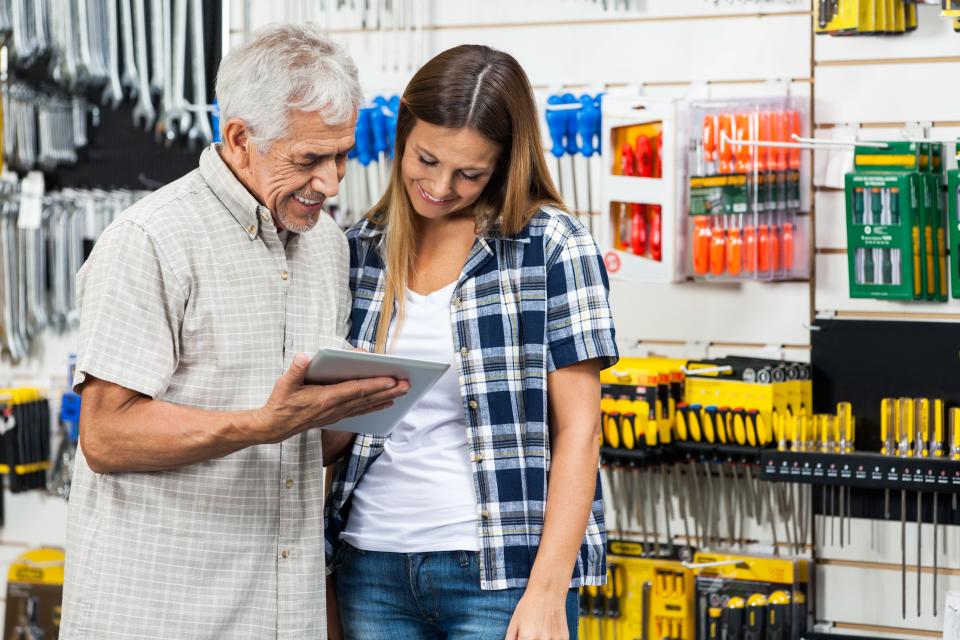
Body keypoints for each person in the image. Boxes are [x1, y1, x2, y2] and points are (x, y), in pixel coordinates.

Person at [59, 24, 409, 640]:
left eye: (342, 156)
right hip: (164, 614)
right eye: (308, 159)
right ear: (241, 138)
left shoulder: (325, 243)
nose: (331, 184)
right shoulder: (151, 242)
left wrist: (356, 411)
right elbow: (106, 435)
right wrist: (259, 425)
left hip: (281, 611)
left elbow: (300, 445)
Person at [324, 44, 619, 640]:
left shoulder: (552, 246)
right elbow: (331, 438)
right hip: (369, 567)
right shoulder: (357, 252)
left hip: (501, 577)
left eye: (469, 173)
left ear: (505, 164)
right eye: (425, 159)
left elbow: (580, 432)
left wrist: (546, 590)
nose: (438, 186)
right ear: (402, 134)